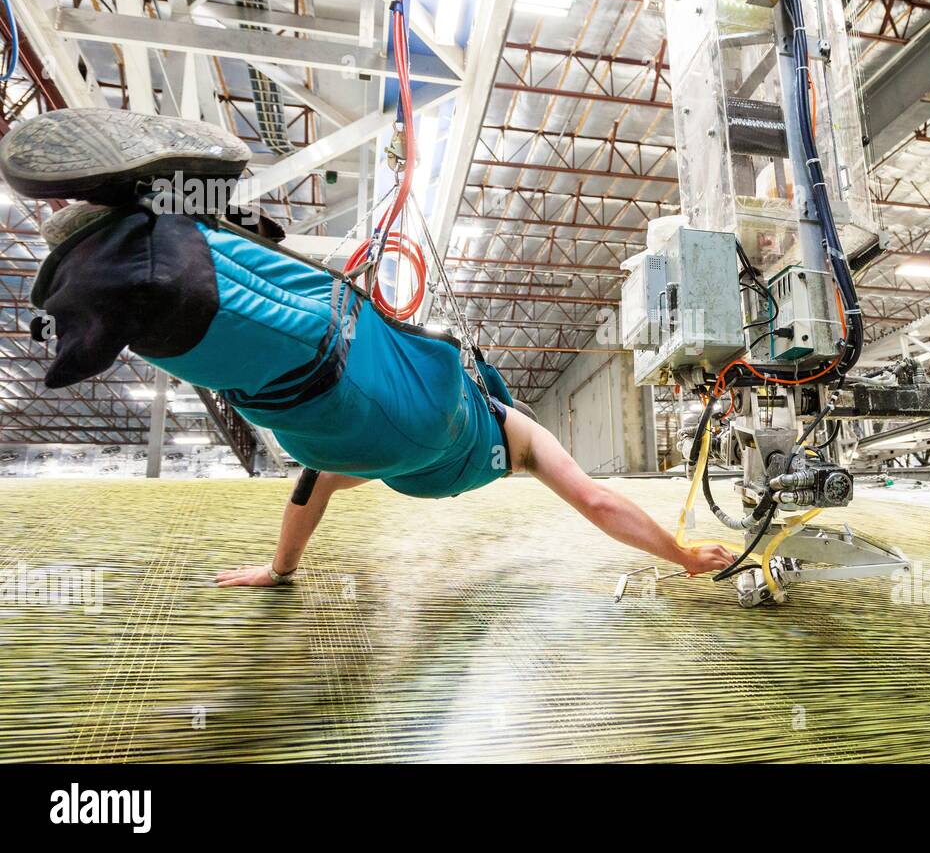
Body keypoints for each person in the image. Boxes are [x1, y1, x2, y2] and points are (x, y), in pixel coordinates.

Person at [3, 108, 733, 586]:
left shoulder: (508, 428)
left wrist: (281, 569)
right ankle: (130, 241)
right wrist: (680, 557)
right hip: (334, 410)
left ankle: (177, 219)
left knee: (312, 306)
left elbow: (307, 498)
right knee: (261, 350)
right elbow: (310, 490)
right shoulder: (425, 461)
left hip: (395, 369)